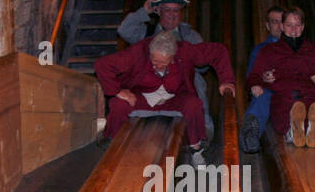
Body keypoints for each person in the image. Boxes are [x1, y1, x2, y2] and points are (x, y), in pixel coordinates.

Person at [95, 30, 235, 167]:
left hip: (173, 98)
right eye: (155, 61)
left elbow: (218, 51)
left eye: (163, 63)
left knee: (194, 104)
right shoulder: (138, 51)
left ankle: (195, 149)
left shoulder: (185, 51)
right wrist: (118, 91)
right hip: (141, 97)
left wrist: (226, 80)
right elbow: (102, 64)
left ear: (173, 56)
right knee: (118, 104)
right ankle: (113, 144)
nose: (158, 66)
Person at [241, 6, 315, 152]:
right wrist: (257, 82)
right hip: (283, 94)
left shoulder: (314, 51)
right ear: (282, 26)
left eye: (297, 25)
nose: (294, 30)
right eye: (289, 25)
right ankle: (253, 131)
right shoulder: (267, 51)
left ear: (303, 27)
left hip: (309, 93)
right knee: (274, 104)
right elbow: (253, 74)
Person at [118, 0, 214, 137]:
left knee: (196, 80)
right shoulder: (146, 33)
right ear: (159, 11)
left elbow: (203, 66)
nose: (172, 14)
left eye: (176, 10)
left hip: (180, 81)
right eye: (167, 10)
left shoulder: (190, 36)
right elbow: (124, 30)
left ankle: (202, 125)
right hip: (151, 79)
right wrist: (144, 11)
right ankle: (118, 127)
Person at [246, 4, 284, 78]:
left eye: (282, 22)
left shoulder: (301, 47)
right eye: (275, 22)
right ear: (268, 26)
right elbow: (251, 80)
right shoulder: (259, 50)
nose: (280, 26)